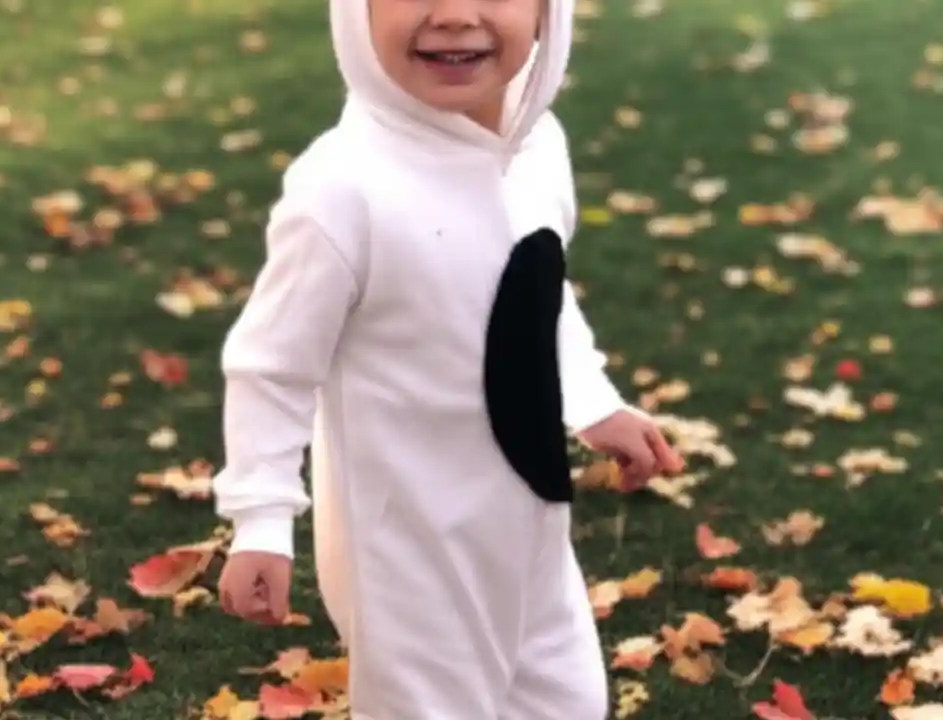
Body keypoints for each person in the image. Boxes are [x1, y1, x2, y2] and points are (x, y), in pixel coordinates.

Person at [213, 0, 685, 717]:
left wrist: (590, 400)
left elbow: (535, 292)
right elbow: (272, 368)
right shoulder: (344, 191)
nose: (456, 14)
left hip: (528, 515)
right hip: (408, 547)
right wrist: (262, 518)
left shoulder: (536, 148)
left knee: (568, 699)